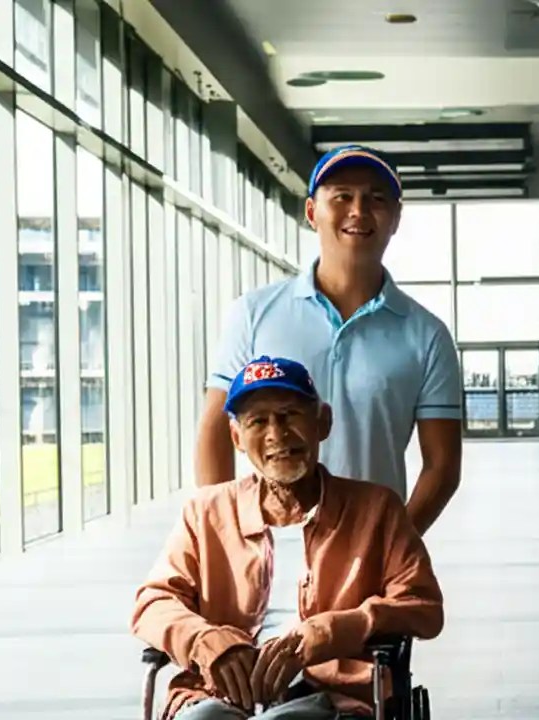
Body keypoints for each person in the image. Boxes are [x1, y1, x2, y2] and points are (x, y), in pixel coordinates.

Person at [132, 356, 443, 720]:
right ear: (237, 437)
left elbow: (423, 608)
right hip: (217, 692)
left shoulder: (376, 510)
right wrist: (203, 640)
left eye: (290, 415)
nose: (276, 435)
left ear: (322, 422)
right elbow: (153, 603)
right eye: (258, 421)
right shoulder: (206, 512)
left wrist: (331, 631)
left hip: (332, 696)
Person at [196, 144, 462, 536]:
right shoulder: (253, 314)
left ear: (396, 218)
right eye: (342, 196)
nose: (359, 210)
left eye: (376, 198)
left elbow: (442, 467)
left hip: (369, 552)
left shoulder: (427, 336)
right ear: (311, 212)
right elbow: (216, 428)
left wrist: (393, 544)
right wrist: (225, 536)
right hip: (268, 546)